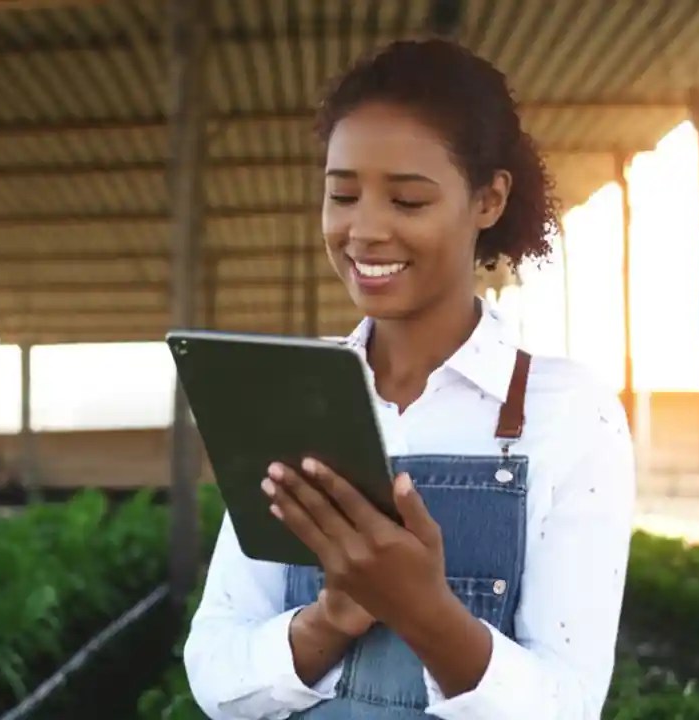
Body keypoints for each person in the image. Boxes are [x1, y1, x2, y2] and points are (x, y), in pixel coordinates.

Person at [182, 36, 636, 720]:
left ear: (488, 200)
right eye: (342, 195)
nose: (364, 231)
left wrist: (425, 613)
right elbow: (216, 674)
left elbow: (566, 705)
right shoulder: (284, 396)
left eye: (408, 201)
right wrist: (330, 619)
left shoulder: (566, 411)